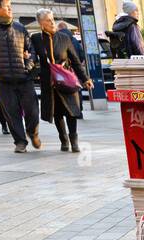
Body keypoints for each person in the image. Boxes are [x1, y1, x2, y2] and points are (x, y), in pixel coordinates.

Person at [0, 0, 41, 153]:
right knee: (11, 112)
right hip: (4, 80)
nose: (10, 9)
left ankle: (32, 131)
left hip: (24, 78)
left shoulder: (20, 28)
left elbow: (31, 51)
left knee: (33, 110)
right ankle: (20, 142)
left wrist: (28, 65)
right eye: (6, 7)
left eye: (10, 6)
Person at [32, 8, 93, 152]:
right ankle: (64, 140)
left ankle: (74, 141)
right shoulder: (36, 39)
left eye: (53, 19)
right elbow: (33, 57)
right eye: (48, 20)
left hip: (66, 80)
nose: (52, 22)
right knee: (57, 112)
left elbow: (75, 60)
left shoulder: (65, 38)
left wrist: (85, 79)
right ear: (41, 23)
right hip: (50, 82)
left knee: (71, 111)